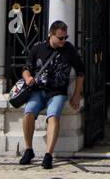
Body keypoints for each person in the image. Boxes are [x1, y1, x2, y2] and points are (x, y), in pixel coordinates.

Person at [18, 20, 84, 169]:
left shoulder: (69, 50)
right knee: (28, 113)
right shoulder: (38, 48)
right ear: (51, 35)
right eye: (60, 38)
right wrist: (28, 78)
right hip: (38, 90)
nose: (63, 41)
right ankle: (28, 150)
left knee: (53, 116)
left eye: (65, 37)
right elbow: (26, 68)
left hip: (57, 92)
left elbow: (81, 72)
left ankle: (48, 154)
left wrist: (76, 94)